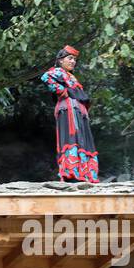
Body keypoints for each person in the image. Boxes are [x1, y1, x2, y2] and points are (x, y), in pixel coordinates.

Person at [41, 45, 99, 183]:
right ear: (61, 60)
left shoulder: (71, 76)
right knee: (72, 138)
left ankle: (84, 173)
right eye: (70, 58)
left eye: (74, 59)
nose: (73, 61)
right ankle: (71, 172)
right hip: (68, 109)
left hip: (78, 111)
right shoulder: (59, 72)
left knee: (82, 140)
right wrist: (62, 91)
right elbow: (45, 77)